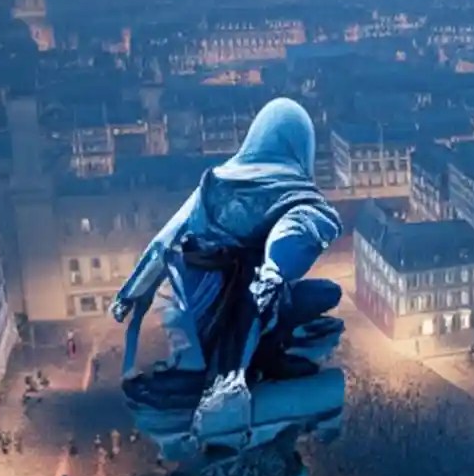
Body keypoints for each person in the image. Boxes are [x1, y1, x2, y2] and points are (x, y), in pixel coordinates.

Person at [112, 98, 342, 406]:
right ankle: (244, 371)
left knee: (306, 296)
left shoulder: (213, 184)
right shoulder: (293, 192)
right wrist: (275, 269)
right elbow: (294, 232)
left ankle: (238, 367)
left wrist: (130, 293)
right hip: (241, 297)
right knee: (313, 296)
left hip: (187, 294)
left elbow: (164, 241)